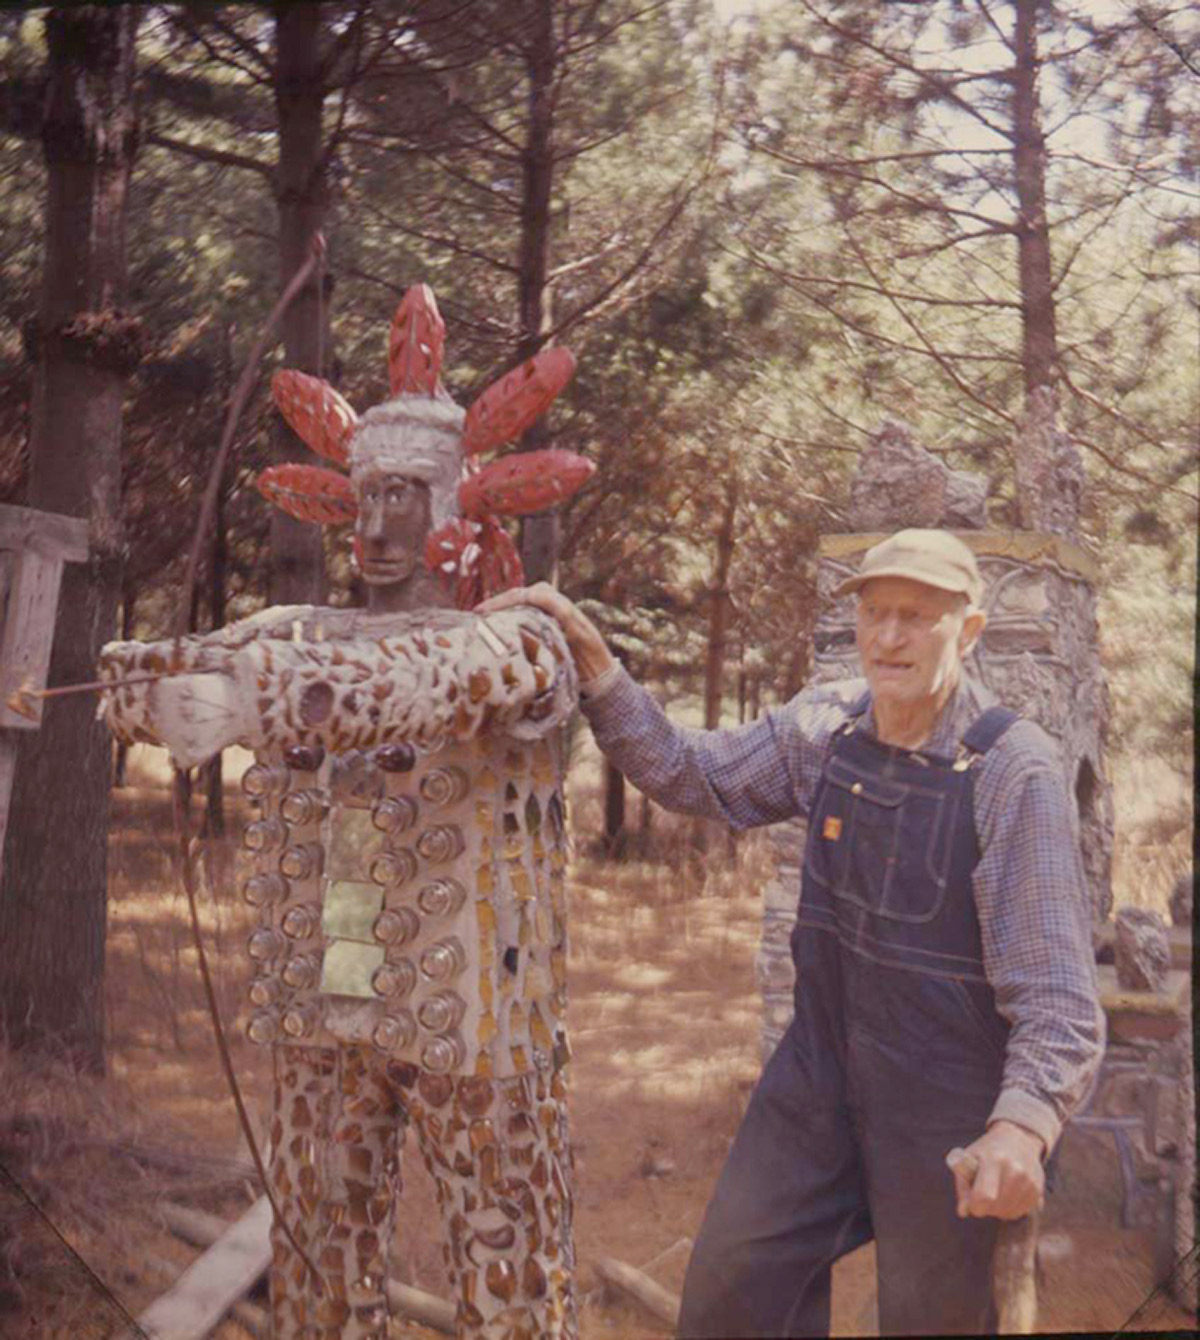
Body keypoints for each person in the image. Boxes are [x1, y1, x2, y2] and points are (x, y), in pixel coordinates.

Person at [99, 288, 590, 1340]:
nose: (375, 526)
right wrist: (163, 697)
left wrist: (264, 697)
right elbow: (140, 679)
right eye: (363, 497)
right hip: (340, 979)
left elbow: (437, 676)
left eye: (408, 497)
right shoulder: (297, 627)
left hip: (482, 1015)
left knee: (508, 1262)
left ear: (463, 504)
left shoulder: (519, 633)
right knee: (320, 1239)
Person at [478, 528, 1105, 1338]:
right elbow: (689, 771)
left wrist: (1023, 1125)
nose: (887, 637)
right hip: (819, 1080)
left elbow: (1058, 998)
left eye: (917, 617)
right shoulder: (826, 729)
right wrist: (599, 670)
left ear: (970, 631)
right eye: (875, 613)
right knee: (731, 1297)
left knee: (934, 1321)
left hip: (948, 1112)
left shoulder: (1012, 772)